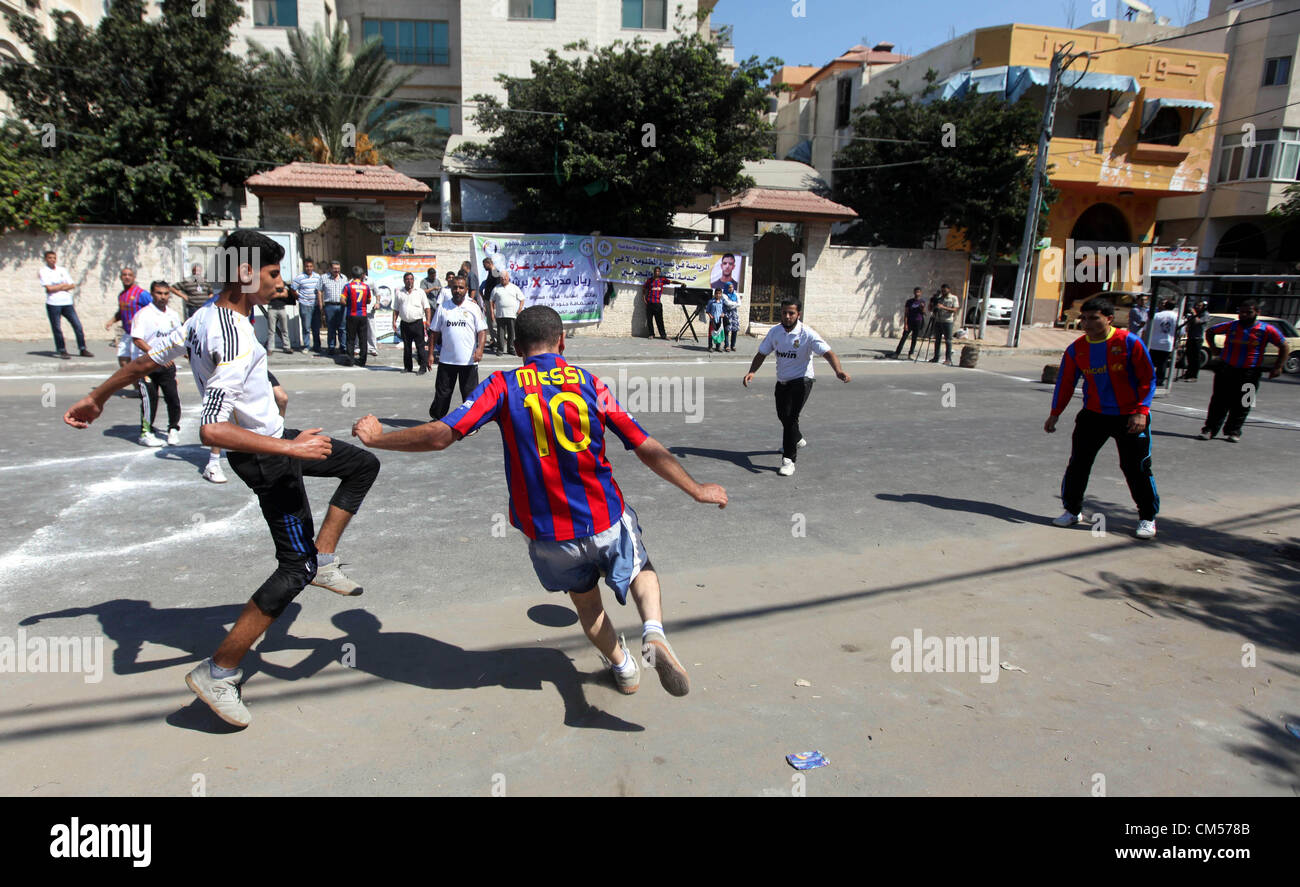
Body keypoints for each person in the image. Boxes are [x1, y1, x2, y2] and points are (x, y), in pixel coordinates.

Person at [63, 229, 379, 727]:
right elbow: (212, 428)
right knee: (292, 569)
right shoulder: (231, 334)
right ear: (246, 274)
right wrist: (291, 447)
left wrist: (96, 397)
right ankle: (219, 671)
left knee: (362, 465)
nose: (279, 283)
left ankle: (323, 560)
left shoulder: (204, 316)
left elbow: (146, 360)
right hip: (265, 455)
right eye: (272, 273)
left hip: (273, 439)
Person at [352, 305, 727, 698]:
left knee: (587, 606)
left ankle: (624, 667)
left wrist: (378, 439)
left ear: (517, 348)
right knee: (640, 568)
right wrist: (696, 489)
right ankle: (653, 631)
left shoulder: (502, 385)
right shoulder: (588, 383)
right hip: (603, 517)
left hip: (549, 535)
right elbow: (643, 444)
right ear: (562, 341)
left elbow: (441, 435)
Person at [1044, 295, 1158, 539]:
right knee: (1079, 464)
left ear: (1109, 319)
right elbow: (1065, 383)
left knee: (1135, 468)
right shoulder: (1077, 349)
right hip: (1093, 415)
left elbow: (1147, 379)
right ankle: (1072, 511)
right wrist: (1055, 413)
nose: (1086, 323)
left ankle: (1147, 517)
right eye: (1083, 318)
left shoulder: (1129, 342)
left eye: (1093, 318)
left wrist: (1141, 411)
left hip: (1129, 416)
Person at [743, 300, 851, 477]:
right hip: (782, 381)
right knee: (783, 416)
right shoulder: (775, 332)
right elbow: (762, 353)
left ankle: (788, 460)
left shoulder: (807, 334)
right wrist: (752, 371)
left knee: (790, 418)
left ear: (798, 314)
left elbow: (828, 353)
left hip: (802, 380)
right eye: (784, 312)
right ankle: (797, 439)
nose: (787, 316)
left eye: (791, 313)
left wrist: (838, 371)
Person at [1198, 299, 1289, 442]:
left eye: (1249, 312)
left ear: (1257, 313)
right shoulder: (1231, 325)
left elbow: (1284, 346)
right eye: (1241, 312)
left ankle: (1234, 431)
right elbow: (1210, 331)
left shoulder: (1266, 329)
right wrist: (1214, 349)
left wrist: (1278, 366)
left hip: (1251, 372)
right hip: (1226, 369)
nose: (1244, 315)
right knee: (1219, 401)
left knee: (1245, 402)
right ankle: (1209, 429)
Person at [129, 281, 184, 447]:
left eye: (166, 294)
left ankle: (173, 428)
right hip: (146, 365)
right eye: (159, 293)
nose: (163, 297)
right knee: (150, 399)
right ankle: (146, 432)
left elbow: (179, 338)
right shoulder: (143, 315)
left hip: (167, 365)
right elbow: (137, 340)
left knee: (172, 397)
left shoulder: (173, 315)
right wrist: (157, 355)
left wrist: (188, 354)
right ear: (152, 294)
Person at [427, 275, 487, 418]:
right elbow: (434, 332)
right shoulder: (443, 307)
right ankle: (437, 419)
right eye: (455, 287)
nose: (458, 290)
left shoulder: (473, 307)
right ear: (451, 289)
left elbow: (482, 331)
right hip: (447, 360)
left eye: (461, 287)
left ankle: (471, 422)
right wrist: (430, 354)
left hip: (468, 361)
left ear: (466, 289)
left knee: (470, 395)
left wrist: (480, 349)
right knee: (442, 394)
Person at [40, 249, 92, 359]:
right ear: (46, 259)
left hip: (67, 302)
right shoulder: (43, 271)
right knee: (57, 328)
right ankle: (61, 349)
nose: (52, 260)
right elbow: (49, 288)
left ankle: (82, 348)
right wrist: (62, 286)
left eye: (54, 258)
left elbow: (72, 285)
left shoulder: (62, 270)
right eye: (50, 258)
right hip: (53, 303)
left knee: (77, 325)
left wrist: (57, 287)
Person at [108, 267, 151, 370]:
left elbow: (153, 309)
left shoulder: (141, 294)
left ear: (134, 277)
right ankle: (136, 381)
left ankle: (144, 380)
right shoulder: (122, 295)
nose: (127, 277)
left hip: (140, 335)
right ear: (120, 277)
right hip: (128, 333)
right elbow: (122, 311)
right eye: (124, 275)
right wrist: (111, 321)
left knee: (139, 364)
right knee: (123, 360)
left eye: (130, 275)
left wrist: (137, 319)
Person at [392, 272, 431, 374]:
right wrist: (394, 321)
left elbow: (427, 308)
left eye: (411, 279)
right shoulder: (399, 293)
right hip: (405, 324)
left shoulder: (420, 292)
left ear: (413, 280)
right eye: (407, 279)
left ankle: (423, 367)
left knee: (420, 346)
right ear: (404, 281)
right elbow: (396, 309)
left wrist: (428, 321)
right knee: (407, 347)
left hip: (417, 323)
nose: (409, 281)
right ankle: (408, 367)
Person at [290, 258, 324, 353]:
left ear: (313, 267)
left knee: (316, 327)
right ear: (304, 267)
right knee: (306, 327)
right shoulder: (299, 277)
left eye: (310, 266)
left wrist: (320, 303)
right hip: (304, 305)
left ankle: (317, 346)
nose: (309, 268)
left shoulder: (318, 277)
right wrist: (298, 297)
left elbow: (320, 290)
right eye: (307, 266)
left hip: (315, 305)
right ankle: (307, 346)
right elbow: (292, 289)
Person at [342, 266, 372, 367]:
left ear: (352, 275)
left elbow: (342, 300)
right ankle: (362, 361)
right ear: (361, 275)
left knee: (350, 338)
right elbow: (369, 300)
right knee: (363, 338)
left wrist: (349, 304)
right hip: (363, 315)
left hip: (351, 314)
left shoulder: (348, 286)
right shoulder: (366, 287)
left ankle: (350, 360)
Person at [491, 269, 525, 356]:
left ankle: (511, 349)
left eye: (505, 277)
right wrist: (492, 313)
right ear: (500, 279)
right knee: (500, 333)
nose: (503, 279)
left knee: (512, 333)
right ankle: (500, 349)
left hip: (512, 314)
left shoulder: (514, 287)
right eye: (502, 278)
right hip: (500, 314)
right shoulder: (496, 288)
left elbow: (522, 299)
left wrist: (520, 309)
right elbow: (491, 301)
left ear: (508, 278)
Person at [1148, 298, 1179, 387]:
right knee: (1162, 362)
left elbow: (1148, 328)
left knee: (1151, 361)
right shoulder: (1176, 317)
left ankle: (1148, 378)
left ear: (1164, 306)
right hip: (1167, 343)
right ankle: (1159, 380)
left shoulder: (1156, 315)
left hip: (1154, 342)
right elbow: (1181, 332)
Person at [641, 267, 677, 339]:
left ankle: (663, 335)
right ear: (654, 272)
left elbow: (671, 282)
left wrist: (681, 283)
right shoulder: (649, 280)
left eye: (658, 271)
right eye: (655, 271)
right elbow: (644, 288)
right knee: (649, 320)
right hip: (649, 303)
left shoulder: (662, 280)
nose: (656, 272)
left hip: (657, 303)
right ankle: (651, 334)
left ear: (660, 272)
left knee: (660, 320)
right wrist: (644, 298)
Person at [321, 260, 348, 356]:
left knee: (342, 328)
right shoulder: (324, 277)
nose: (337, 270)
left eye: (338, 268)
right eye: (334, 268)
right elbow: (319, 291)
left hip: (342, 306)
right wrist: (321, 305)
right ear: (330, 268)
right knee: (331, 328)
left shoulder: (344, 278)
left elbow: (347, 292)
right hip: (329, 306)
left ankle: (343, 347)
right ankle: (331, 347)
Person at [893, 287, 926, 359]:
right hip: (910, 321)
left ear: (921, 293)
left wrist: (922, 307)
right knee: (904, 337)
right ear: (914, 293)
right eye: (916, 292)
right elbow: (906, 313)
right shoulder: (909, 301)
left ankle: (911, 353)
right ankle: (897, 352)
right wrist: (905, 324)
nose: (917, 293)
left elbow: (924, 313)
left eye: (918, 292)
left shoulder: (922, 301)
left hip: (918, 321)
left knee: (914, 338)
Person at [929, 283, 959, 365]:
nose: (943, 292)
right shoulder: (939, 298)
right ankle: (936, 357)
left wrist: (943, 307)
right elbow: (931, 309)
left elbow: (955, 309)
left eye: (945, 291)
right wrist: (932, 302)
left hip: (947, 321)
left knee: (948, 340)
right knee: (937, 340)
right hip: (938, 320)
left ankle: (948, 359)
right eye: (942, 291)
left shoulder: (953, 298)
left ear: (948, 290)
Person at [266, 275, 295, 354]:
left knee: (284, 329)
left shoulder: (283, 283)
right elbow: (269, 294)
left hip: (282, 308)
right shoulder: (269, 284)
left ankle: (287, 347)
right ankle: (270, 348)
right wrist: (279, 293)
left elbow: (285, 294)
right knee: (271, 330)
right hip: (271, 308)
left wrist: (276, 294)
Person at [1180, 299, 1208, 382]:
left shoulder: (1205, 314)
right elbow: (1189, 324)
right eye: (1196, 305)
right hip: (1191, 337)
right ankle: (1188, 373)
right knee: (1189, 356)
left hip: (1197, 338)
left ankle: (1194, 376)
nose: (1197, 307)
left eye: (1199, 306)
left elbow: (1197, 321)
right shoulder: (1194, 314)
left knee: (1195, 358)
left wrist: (1194, 313)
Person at [720, 279, 741, 352]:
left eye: (732, 287)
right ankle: (726, 345)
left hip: (734, 314)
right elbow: (727, 303)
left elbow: (739, 304)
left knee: (734, 330)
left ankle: (733, 345)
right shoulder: (724, 295)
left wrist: (733, 304)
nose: (731, 289)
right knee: (727, 330)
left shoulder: (736, 294)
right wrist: (735, 304)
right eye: (729, 287)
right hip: (727, 314)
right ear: (726, 288)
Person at [705, 288, 726, 353]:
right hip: (713, 320)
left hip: (719, 320)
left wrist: (723, 314)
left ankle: (718, 347)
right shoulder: (711, 301)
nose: (718, 295)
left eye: (719, 293)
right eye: (716, 293)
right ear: (714, 294)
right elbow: (707, 310)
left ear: (721, 294)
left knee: (718, 333)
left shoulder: (722, 302)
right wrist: (710, 316)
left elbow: (724, 310)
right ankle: (710, 347)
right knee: (711, 334)